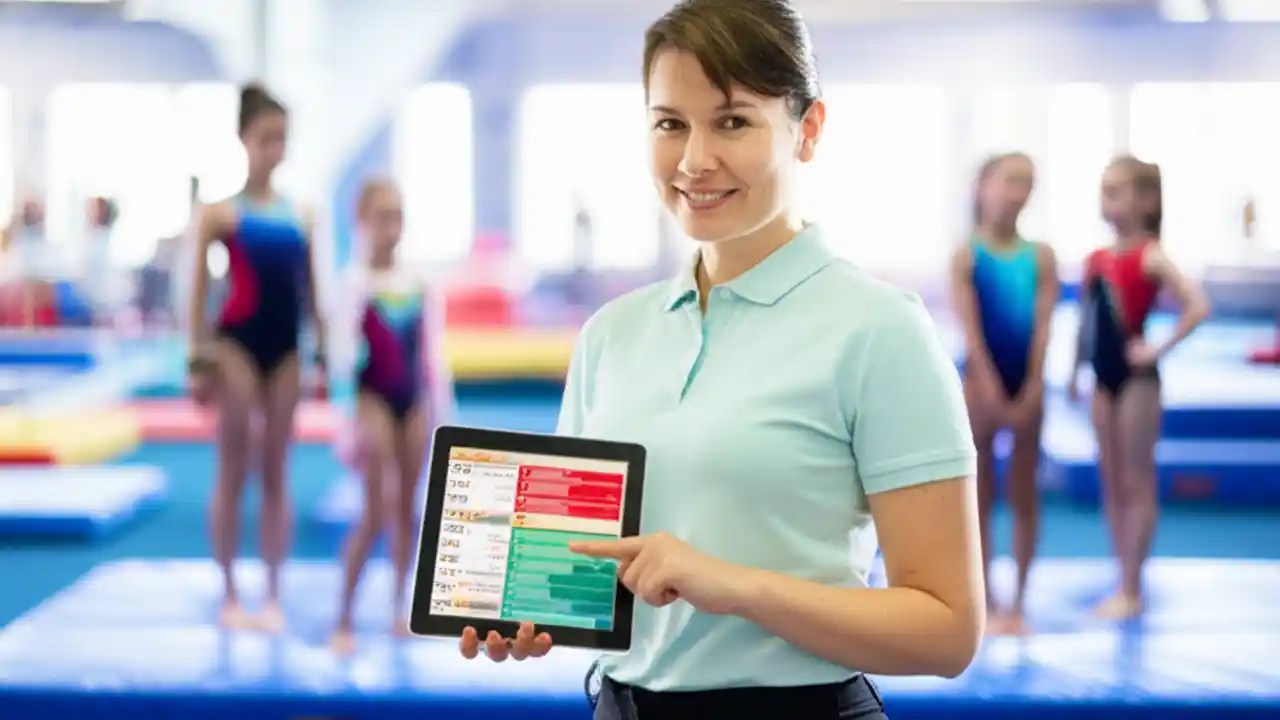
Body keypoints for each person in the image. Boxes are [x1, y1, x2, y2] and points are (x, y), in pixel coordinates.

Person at [459, 1, 985, 718]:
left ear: (808, 130)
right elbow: (583, 570)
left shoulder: (880, 330)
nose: (695, 159)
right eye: (670, 122)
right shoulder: (611, 335)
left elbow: (949, 631)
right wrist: (524, 608)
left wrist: (733, 585)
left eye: (733, 120)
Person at [187, 83, 327, 632]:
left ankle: (271, 593)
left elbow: (311, 292)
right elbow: (198, 295)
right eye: (265, 138)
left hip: (287, 349)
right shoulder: (221, 214)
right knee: (233, 467)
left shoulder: (302, 214)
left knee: (276, 471)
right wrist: (197, 360)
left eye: (282, 139)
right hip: (236, 345)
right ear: (244, 139)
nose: (274, 149)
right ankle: (227, 592)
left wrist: (321, 355)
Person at [1068, 155, 1210, 620]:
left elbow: (1197, 306)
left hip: (1137, 382)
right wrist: (1074, 371)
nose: (1106, 201)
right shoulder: (1095, 259)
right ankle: (1120, 579)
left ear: (1146, 200)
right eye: (1103, 191)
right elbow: (1086, 322)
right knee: (1111, 483)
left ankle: (1133, 587)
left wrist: (1157, 349)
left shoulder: (1150, 253)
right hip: (1101, 380)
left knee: (1136, 481)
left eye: (1116, 191)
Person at [329, 179, 454, 654]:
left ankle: (400, 607)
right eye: (381, 216)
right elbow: (342, 360)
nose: (392, 227)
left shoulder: (419, 283)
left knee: (408, 509)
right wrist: (349, 421)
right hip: (372, 398)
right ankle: (343, 614)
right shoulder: (354, 283)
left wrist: (442, 410)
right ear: (361, 222)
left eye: (397, 216)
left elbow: (432, 356)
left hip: (415, 399)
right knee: (376, 509)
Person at [950, 152, 1057, 636]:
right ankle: (986, 598)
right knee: (980, 492)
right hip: (981, 383)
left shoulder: (1041, 255)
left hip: (1028, 381)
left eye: (1027, 183)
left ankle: (1020, 600)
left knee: (1024, 489)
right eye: (1009, 181)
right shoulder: (967, 254)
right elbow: (971, 332)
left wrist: (1034, 382)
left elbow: (1043, 327)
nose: (1017, 192)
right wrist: (990, 386)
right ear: (982, 185)